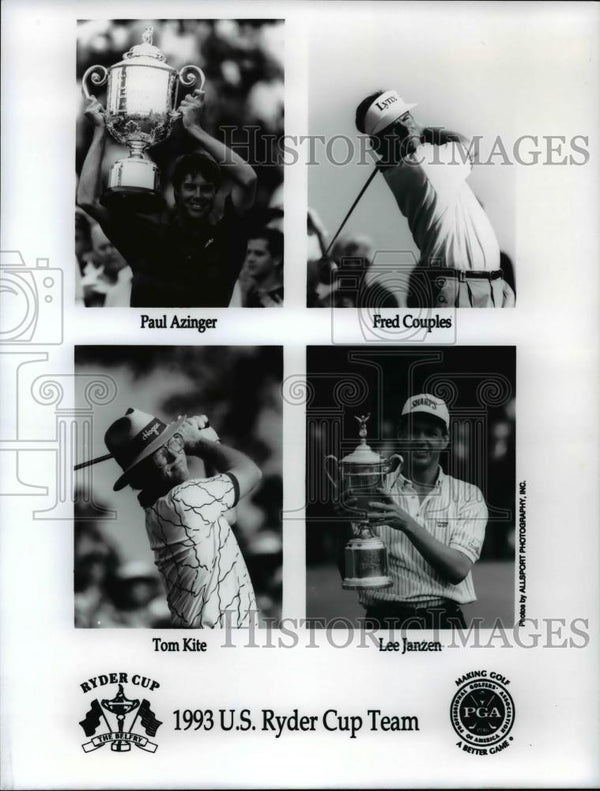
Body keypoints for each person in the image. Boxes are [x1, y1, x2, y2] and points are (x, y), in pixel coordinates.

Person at [76, 89, 257, 307]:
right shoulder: (149, 235)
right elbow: (87, 199)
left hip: (205, 341)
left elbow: (248, 179)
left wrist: (195, 129)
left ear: (215, 193)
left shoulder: (226, 238)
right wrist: (99, 131)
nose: (198, 196)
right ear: (176, 191)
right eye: (190, 187)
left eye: (206, 188)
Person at [100, 409, 261, 627]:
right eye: (161, 455)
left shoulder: (165, 508)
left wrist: (208, 442)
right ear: (140, 475)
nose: (175, 455)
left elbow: (227, 516)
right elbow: (251, 471)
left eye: (174, 443)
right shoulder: (184, 499)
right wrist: (200, 444)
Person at [355, 90, 516, 307]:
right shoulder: (421, 164)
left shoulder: (418, 165)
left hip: (483, 287)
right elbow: (468, 146)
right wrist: (422, 128)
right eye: (393, 129)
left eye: (405, 118)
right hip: (456, 289)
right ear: (379, 144)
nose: (405, 129)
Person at [349, 394, 488, 629]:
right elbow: (355, 571)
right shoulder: (374, 490)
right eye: (414, 432)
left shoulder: (468, 495)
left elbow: (458, 569)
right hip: (384, 620)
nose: (421, 440)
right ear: (402, 436)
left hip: (442, 620)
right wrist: (341, 521)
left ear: (445, 440)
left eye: (431, 433)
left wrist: (407, 524)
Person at [241, 228, 284, 307]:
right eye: (248, 253)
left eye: (258, 254)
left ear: (277, 259)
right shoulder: (249, 294)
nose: (250, 259)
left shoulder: (286, 298)